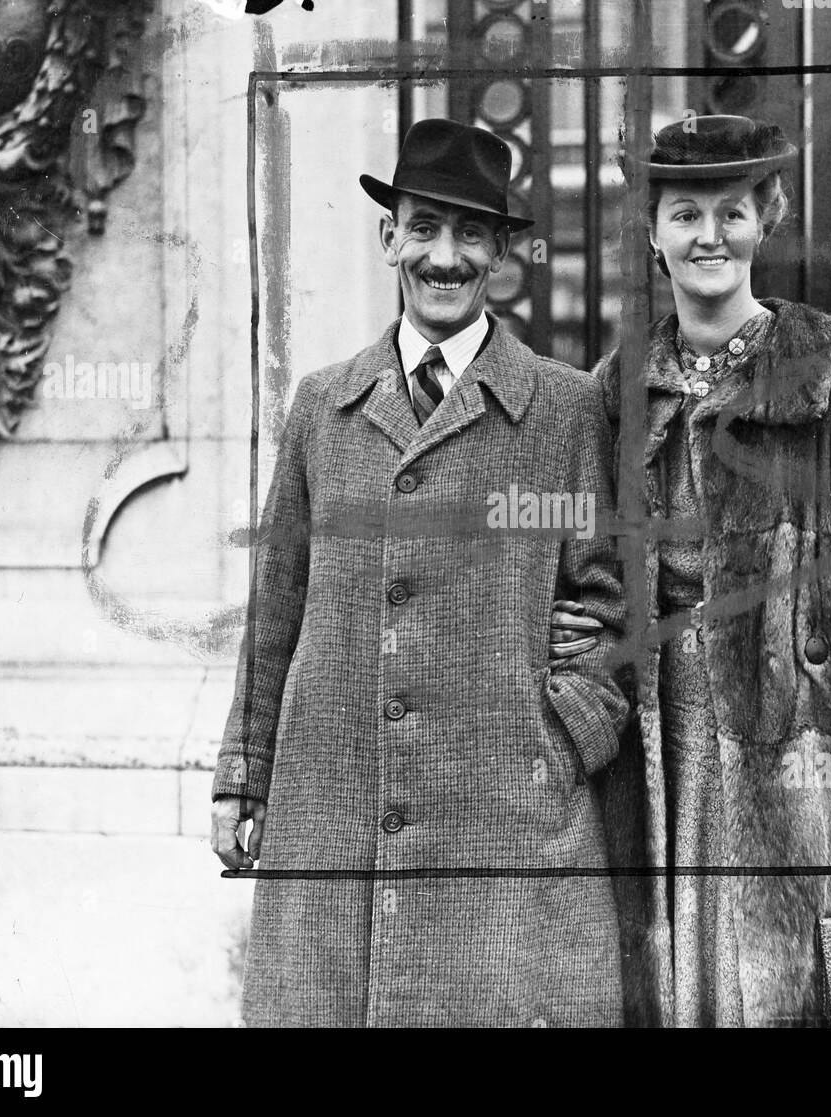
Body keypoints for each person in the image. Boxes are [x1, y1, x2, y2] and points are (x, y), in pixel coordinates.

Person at [210, 119, 629, 1027]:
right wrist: (244, 776)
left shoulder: (562, 410)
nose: (446, 257)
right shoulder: (323, 407)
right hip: (334, 797)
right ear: (388, 237)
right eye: (425, 227)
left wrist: (559, 732)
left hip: (502, 817)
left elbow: (605, 603)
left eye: (472, 232)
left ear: (504, 253)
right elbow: (276, 603)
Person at [551, 115, 831, 1027]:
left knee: (792, 993)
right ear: (652, 232)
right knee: (677, 987)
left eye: (732, 212)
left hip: (807, 759)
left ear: (768, 217)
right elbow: (588, 571)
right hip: (663, 752)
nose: (708, 237)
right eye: (684, 213)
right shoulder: (616, 391)